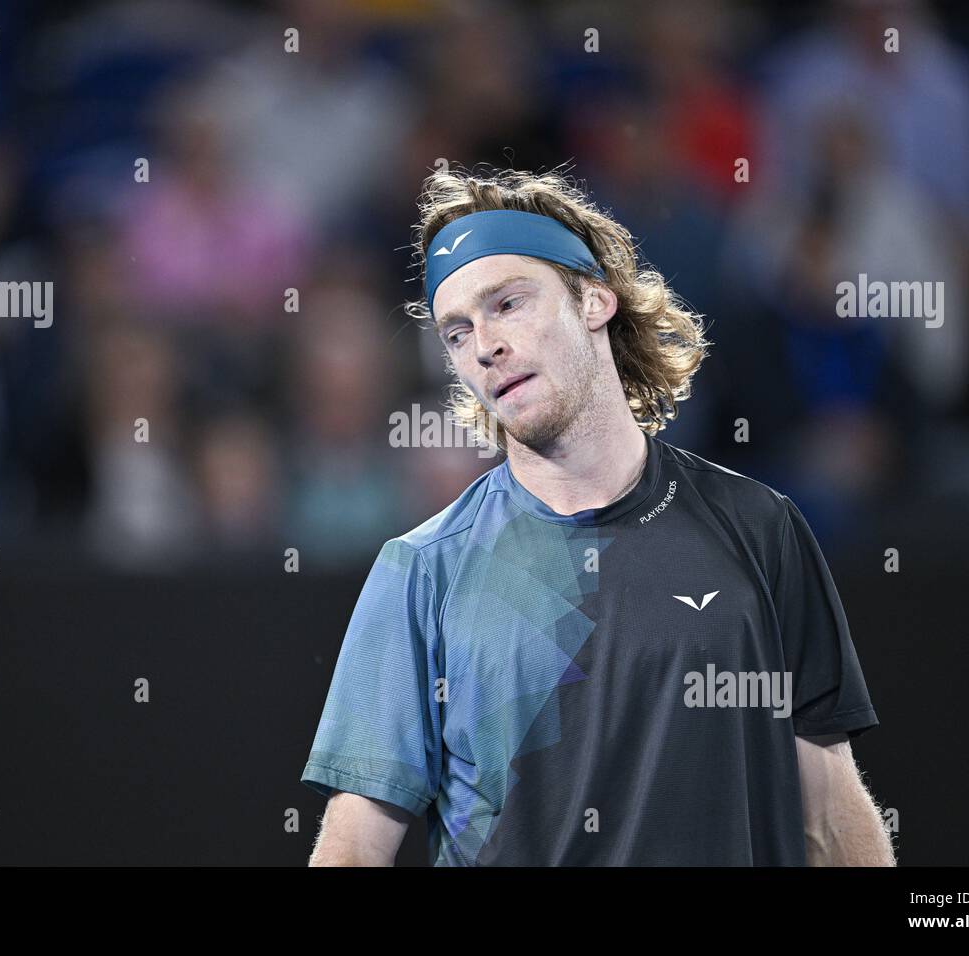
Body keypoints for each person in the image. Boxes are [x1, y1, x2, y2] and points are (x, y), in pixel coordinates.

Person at [299, 168, 893, 866]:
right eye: (456, 332)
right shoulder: (421, 569)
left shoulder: (762, 528)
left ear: (593, 301)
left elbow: (828, 811)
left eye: (508, 303)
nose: (483, 343)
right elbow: (354, 849)